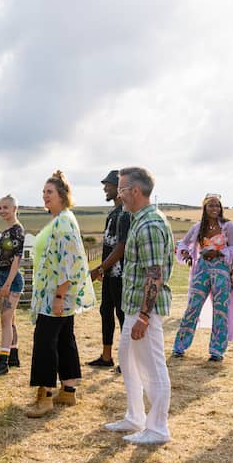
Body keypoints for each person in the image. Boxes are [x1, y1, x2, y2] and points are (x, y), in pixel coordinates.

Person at [103, 166, 174, 445]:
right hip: (134, 306)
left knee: (152, 367)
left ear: (135, 190)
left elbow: (154, 274)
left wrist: (144, 316)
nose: (119, 194)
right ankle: (135, 417)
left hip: (145, 310)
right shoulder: (138, 220)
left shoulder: (149, 225)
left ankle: (157, 429)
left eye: (121, 189)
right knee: (127, 359)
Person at [25, 170, 96, 418]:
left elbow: (69, 262)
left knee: (45, 341)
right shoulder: (60, 219)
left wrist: (58, 297)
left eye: (50, 192)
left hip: (55, 295)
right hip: (55, 293)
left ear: (63, 195)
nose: (45, 196)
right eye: (43, 192)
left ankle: (45, 396)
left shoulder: (64, 222)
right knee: (65, 338)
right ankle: (68, 390)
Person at [171, 194, 233, 362]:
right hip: (201, 270)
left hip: (221, 270)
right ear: (204, 208)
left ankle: (217, 351)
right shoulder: (198, 227)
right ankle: (179, 347)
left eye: (217, 205)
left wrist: (218, 252)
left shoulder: (228, 226)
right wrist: (186, 253)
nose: (215, 208)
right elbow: (183, 243)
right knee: (192, 307)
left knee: (221, 310)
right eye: (211, 205)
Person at [88, 170, 131, 370]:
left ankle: (126, 360)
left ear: (119, 188)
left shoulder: (125, 213)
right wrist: (103, 270)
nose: (105, 188)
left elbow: (121, 247)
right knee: (106, 311)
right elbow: (108, 245)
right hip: (109, 273)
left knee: (122, 315)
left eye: (108, 184)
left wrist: (99, 269)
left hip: (121, 274)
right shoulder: (113, 212)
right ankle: (106, 357)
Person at [0, 195, 25, 377]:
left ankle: (3, 362)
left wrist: (7, 284)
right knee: (10, 320)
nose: (2, 211)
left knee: (5, 320)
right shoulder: (6, 232)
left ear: (14, 209)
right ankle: (13, 355)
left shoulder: (17, 230)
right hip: (3, 277)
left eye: (5, 207)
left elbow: (16, 259)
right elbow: (1, 260)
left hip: (12, 279)